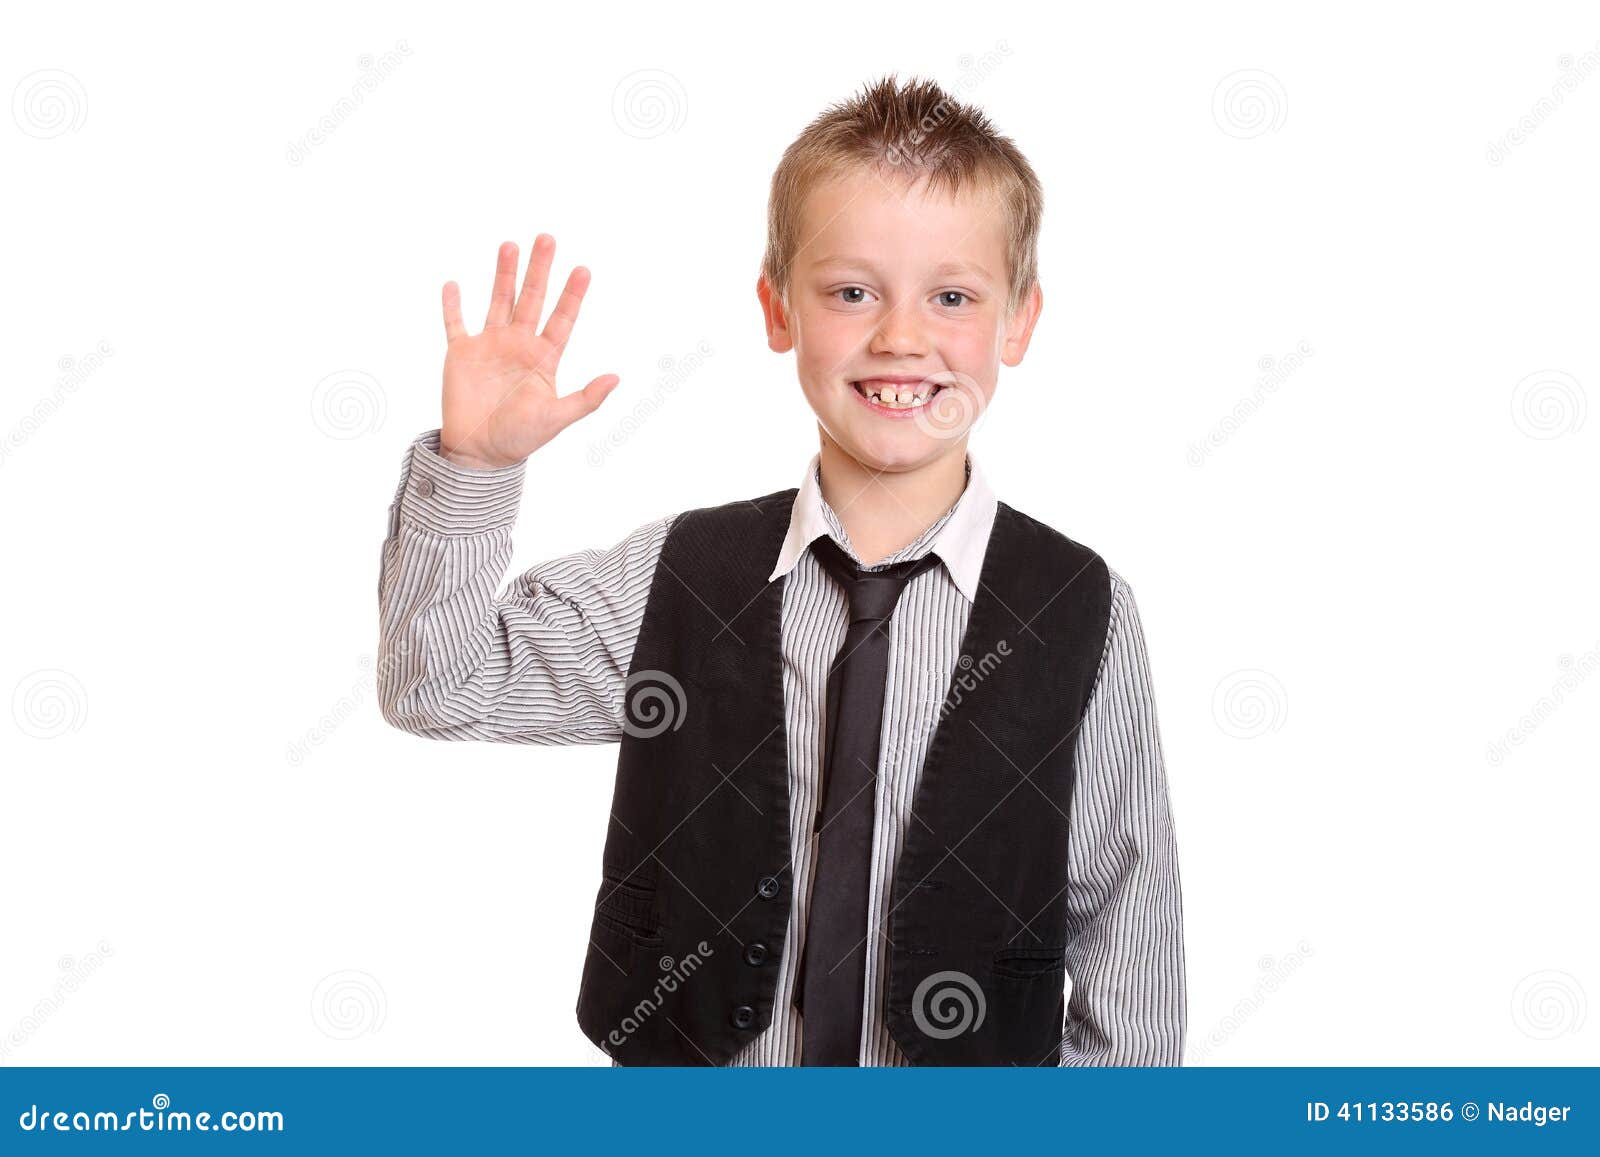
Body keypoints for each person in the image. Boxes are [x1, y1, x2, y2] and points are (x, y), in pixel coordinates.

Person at [377, 74, 1185, 1067]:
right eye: (851, 291)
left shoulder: (1080, 607)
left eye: (952, 295)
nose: (899, 336)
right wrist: (479, 467)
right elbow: (438, 685)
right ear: (777, 308)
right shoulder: (678, 572)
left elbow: (1127, 935)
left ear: (1016, 320)